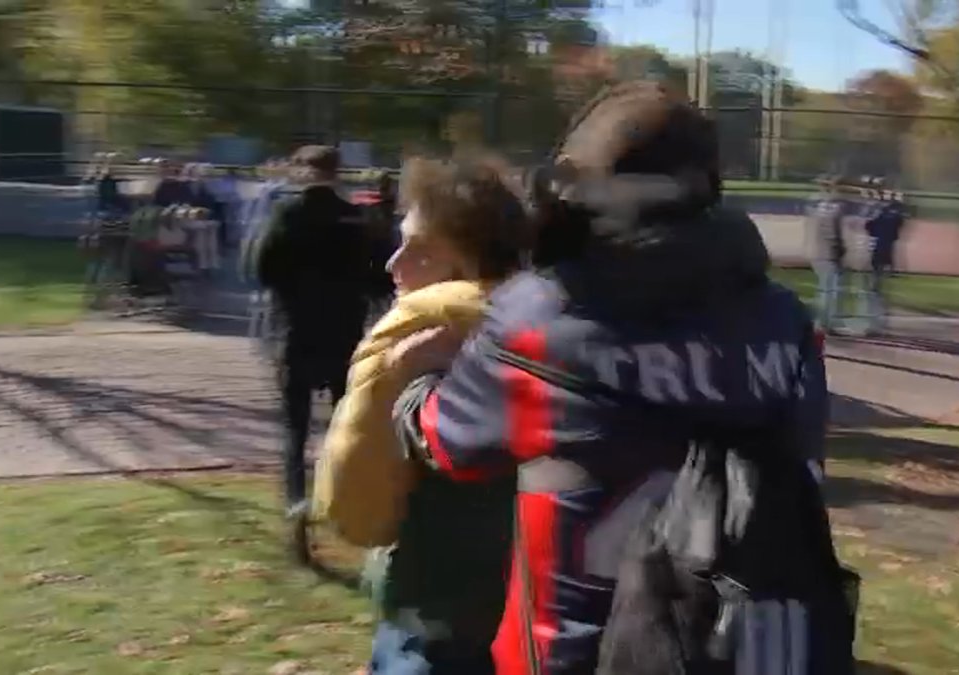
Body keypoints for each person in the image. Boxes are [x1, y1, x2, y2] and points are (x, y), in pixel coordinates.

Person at [387, 81, 830, 675]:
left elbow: (446, 444)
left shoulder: (537, 317)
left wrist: (419, 377)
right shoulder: (786, 320)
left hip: (571, 658)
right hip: (739, 649)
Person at [314, 154, 528, 675]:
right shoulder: (539, 336)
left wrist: (404, 381)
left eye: (421, 252)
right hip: (431, 614)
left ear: (469, 273)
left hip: (446, 621)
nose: (395, 264)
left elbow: (357, 499)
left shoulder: (443, 344)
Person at [254, 145, 382, 560]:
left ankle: (296, 505)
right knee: (342, 425)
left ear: (301, 172)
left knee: (294, 430)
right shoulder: (356, 218)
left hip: (296, 334)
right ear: (337, 172)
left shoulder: (287, 215)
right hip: (343, 335)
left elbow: (262, 268)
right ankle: (342, 502)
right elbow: (378, 278)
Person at [807, 175, 852, 333]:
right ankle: (827, 322)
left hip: (818, 251)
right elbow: (834, 234)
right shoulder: (835, 208)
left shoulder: (818, 206)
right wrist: (840, 251)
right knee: (830, 290)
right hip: (829, 253)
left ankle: (821, 322)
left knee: (823, 289)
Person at [862, 188, 907, 332]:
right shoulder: (892, 214)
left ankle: (875, 323)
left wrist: (874, 206)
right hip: (884, 254)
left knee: (874, 290)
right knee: (877, 290)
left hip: (879, 253)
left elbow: (869, 226)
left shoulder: (885, 214)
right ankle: (879, 322)